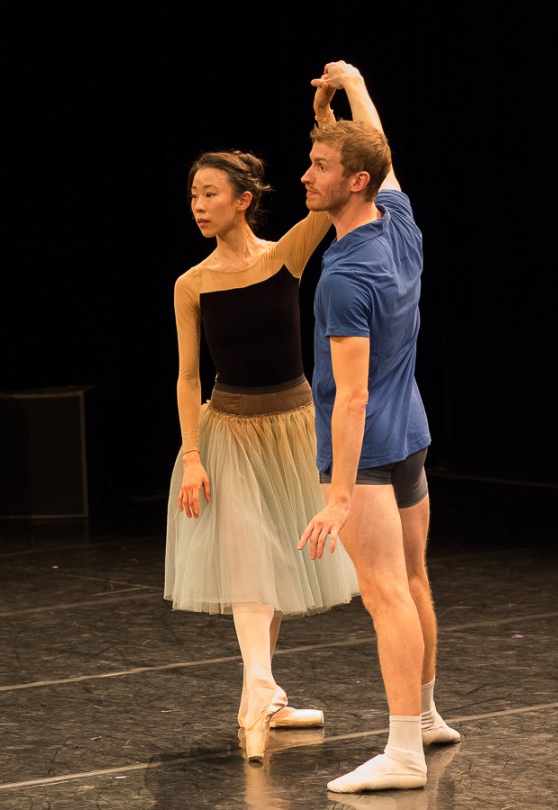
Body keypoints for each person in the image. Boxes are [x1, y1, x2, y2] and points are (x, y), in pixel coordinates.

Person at [163, 106, 361, 763]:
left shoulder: (287, 255)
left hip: (293, 431)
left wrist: (337, 113)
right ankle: (257, 692)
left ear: (244, 201)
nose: (198, 205)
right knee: (250, 563)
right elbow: (189, 378)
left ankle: (266, 696)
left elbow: (350, 177)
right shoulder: (191, 283)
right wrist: (192, 456)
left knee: (274, 570)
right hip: (228, 434)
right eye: (193, 195)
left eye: (210, 194)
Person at [297, 61, 460, 793]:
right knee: (414, 579)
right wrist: (354, 85)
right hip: (412, 438)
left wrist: (335, 495)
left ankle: (401, 752)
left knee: (384, 592)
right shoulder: (400, 223)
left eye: (321, 165)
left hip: (364, 453)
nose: (307, 174)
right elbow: (382, 146)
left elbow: (351, 398)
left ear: (354, 182)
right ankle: (424, 715)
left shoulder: (342, 278)